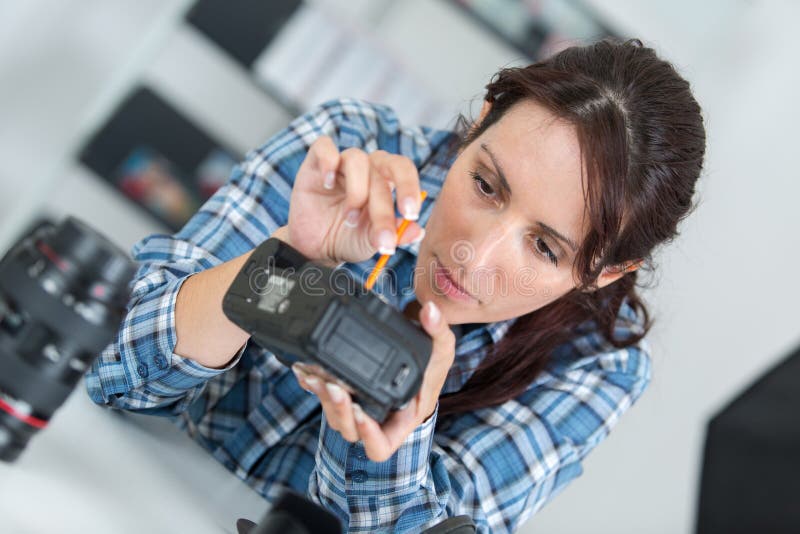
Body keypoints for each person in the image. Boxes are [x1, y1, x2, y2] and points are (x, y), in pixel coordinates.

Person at [86, 38, 706, 532]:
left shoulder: (599, 360)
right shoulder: (352, 153)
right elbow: (109, 368)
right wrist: (282, 264)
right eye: (487, 185)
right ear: (480, 124)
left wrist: (403, 423)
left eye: (545, 246)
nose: (474, 255)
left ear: (604, 273)